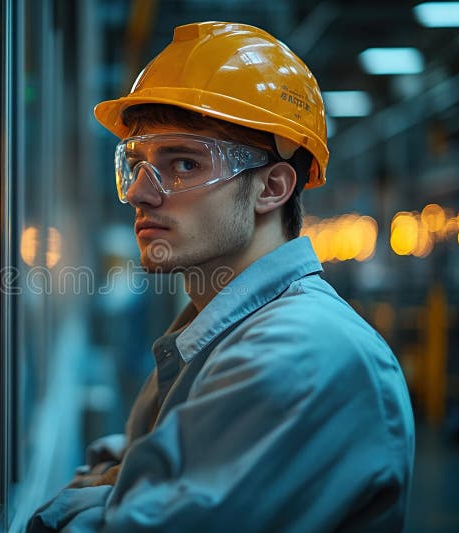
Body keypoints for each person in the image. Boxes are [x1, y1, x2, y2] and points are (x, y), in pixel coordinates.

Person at [28, 21, 415, 532]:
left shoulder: (301, 352)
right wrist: (121, 480)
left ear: (271, 188)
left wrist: (104, 491)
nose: (140, 194)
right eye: (137, 165)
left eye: (184, 164)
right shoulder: (217, 334)